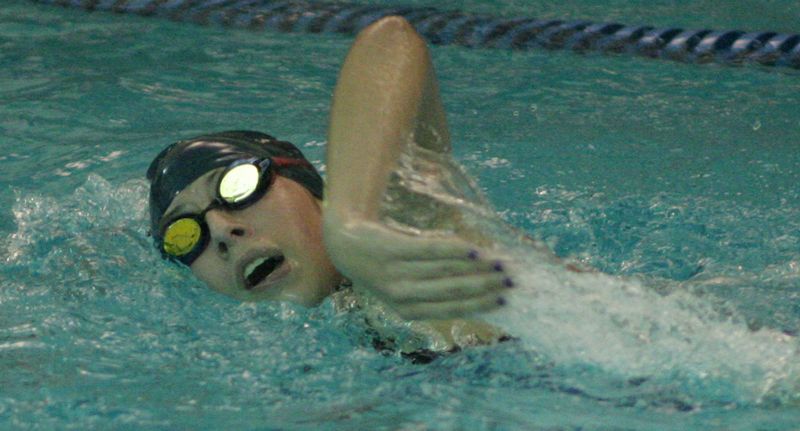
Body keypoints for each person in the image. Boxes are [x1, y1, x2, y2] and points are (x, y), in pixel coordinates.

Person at [146, 16, 518, 356]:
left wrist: (351, 225)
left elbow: (391, 41)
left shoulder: (413, 239)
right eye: (185, 235)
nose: (222, 230)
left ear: (310, 190)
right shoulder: (326, 349)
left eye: (237, 187)